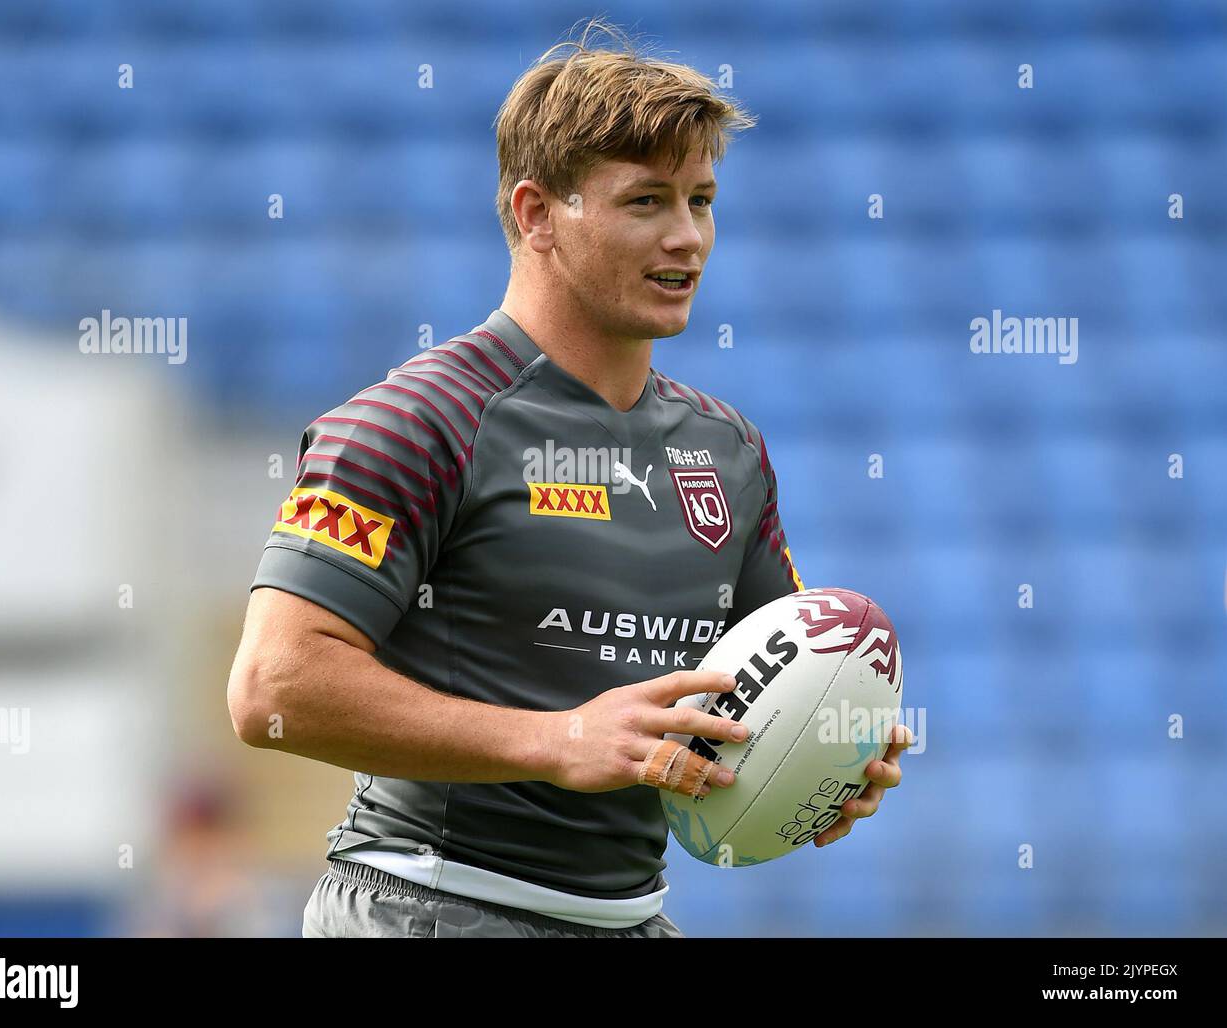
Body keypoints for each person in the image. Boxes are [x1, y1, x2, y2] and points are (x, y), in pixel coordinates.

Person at [226, 19, 907, 939]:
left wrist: (825, 758)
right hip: (429, 907)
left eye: (701, 201)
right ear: (539, 213)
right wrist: (558, 739)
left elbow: (762, 688)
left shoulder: (728, 451)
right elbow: (274, 688)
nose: (688, 237)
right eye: (645, 202)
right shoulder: (412, 424)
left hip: (634, 921)